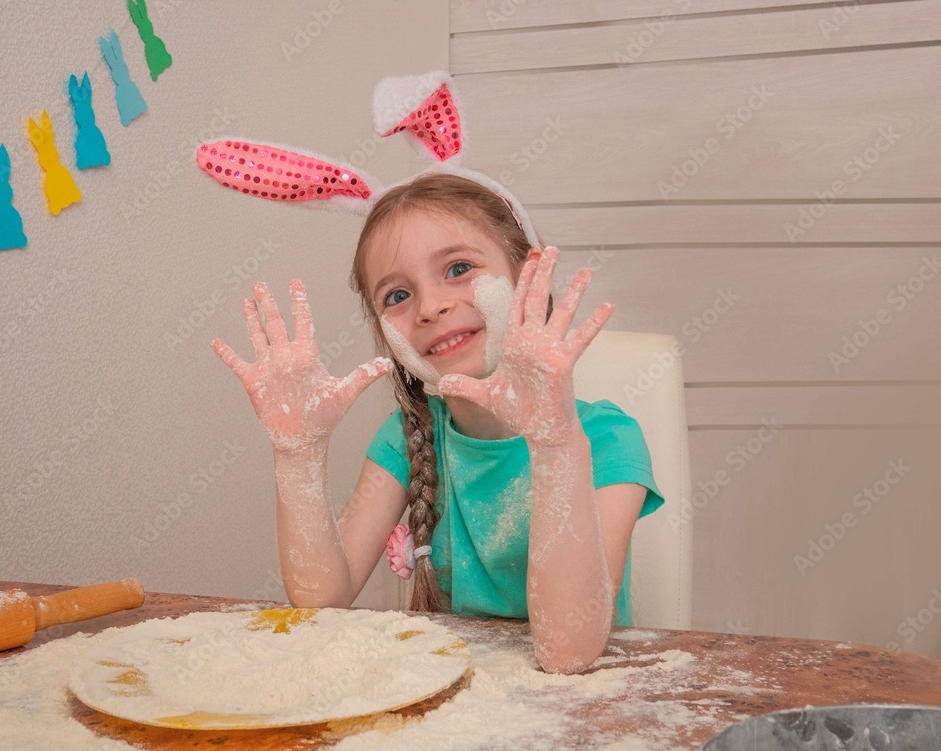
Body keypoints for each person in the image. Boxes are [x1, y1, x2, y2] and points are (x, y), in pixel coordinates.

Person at [211, 172, 664, 674]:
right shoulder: (406, 439)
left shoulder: (607, 440)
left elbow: (568, 652)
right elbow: (321, 600)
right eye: (397, 296)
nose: (430, 307)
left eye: (459, 268)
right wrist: (297, 452)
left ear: (528, 277)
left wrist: (554, 444)